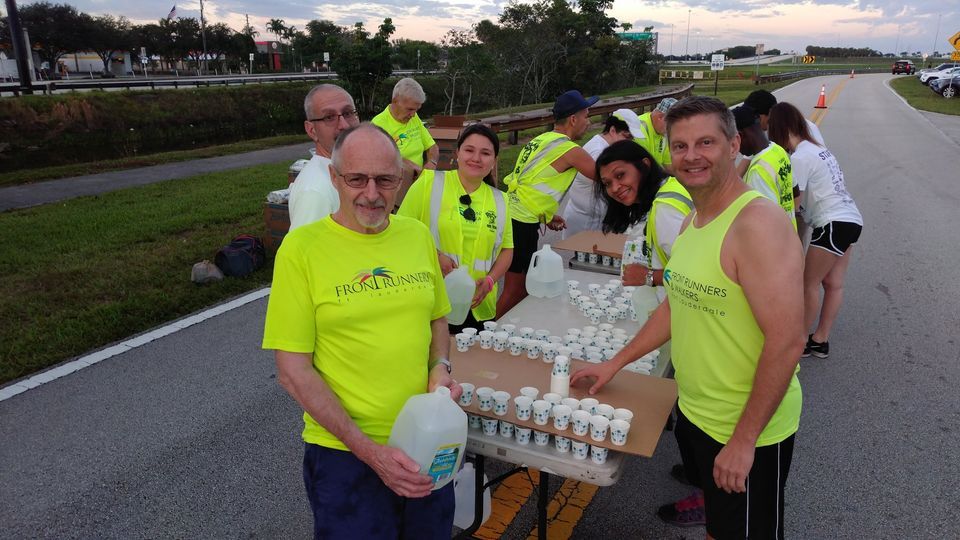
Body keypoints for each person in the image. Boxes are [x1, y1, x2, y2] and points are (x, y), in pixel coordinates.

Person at [571, 96, 805, 540]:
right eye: (680, 146)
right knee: (719, 528)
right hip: (698, 412)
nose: (691, 155)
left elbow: (788, 341)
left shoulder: (757, 224)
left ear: (734, 144)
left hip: (746, 425)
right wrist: (612, 364)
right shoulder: (693, 220)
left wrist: (743, 441)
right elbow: (676, 303)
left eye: (705, 142)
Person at [262, 123, 461, 539]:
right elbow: (293, 372)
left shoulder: (416, 235)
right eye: (357, 179)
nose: (372, 194)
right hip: (346, 455)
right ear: (335, 178)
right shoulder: (301, 251)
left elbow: (436, 318)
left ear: (401, 179)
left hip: (426, 440)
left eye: (385, 180)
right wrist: (371, 453)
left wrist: (440, 364)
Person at [768, 102, 863, 359]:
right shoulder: (819, 149)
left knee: (807, 283)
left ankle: (796, 342)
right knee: (833, 284)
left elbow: (793, 201)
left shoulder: (799, 157)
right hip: (851, 219)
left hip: (831, 222)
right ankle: (820, 340)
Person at [398, 123, 514, 333]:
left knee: (474, 364)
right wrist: (435, 256)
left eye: (485, 153)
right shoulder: (429, 184)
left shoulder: (501, 200)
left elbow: (507, 249)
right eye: (469, 150)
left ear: (494, 160)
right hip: (432, 300)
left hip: (479, 306)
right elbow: (399, 232)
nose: (476, 158)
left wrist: (489, 281)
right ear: (457, 153)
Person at [497, 90, 599, 316]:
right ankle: (484, 334)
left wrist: (547, 216)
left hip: (512, 214)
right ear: (573, 119)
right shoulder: (569, 150)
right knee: (516, 290)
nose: (588, 122)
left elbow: (533, 183)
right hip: (520, 223)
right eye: (586, 116)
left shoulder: (539, 140)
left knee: (518, 287)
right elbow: (606, 177)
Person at [288, 84, 361, 231]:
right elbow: (303, 251)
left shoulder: (342, 170)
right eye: (329, 117)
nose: (344, 125)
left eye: (348, 113)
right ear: (311, 130)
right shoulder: (315, 192)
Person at [559, 110, 639, 238]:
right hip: (586, 222)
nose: (629, 143)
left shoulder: (609, 148)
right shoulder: (598, 151)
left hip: (593, 218)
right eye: (627, 137)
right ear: (612, 131)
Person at [371, 78, 439, 205]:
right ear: (395, 101)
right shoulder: (378, 124)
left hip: (419, 183)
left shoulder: (413, 118)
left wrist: (432, 162)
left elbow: (432, 146)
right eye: (410, 109)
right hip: (395, 191)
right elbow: (379, 159)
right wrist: (410, 166)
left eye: (416, 110)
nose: (413, 115)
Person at [734, 105, 796, 228]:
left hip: (774, 243)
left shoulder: (758, 172)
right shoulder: (777, 150)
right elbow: (795, 190)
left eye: (732, 141)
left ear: (740, 136)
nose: (735, 149)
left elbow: (766, 221)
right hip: (789, 234)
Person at [744, 89, 824, 145]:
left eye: (753, 116)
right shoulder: (790, 121)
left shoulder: (784, 130)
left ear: (765, 115)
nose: (752, 122)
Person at [633, 97, 679, 175]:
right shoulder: (639, 130)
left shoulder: (663, 132)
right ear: (660, 117)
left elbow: (668, 165)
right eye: (672, 125)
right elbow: (643, 171)